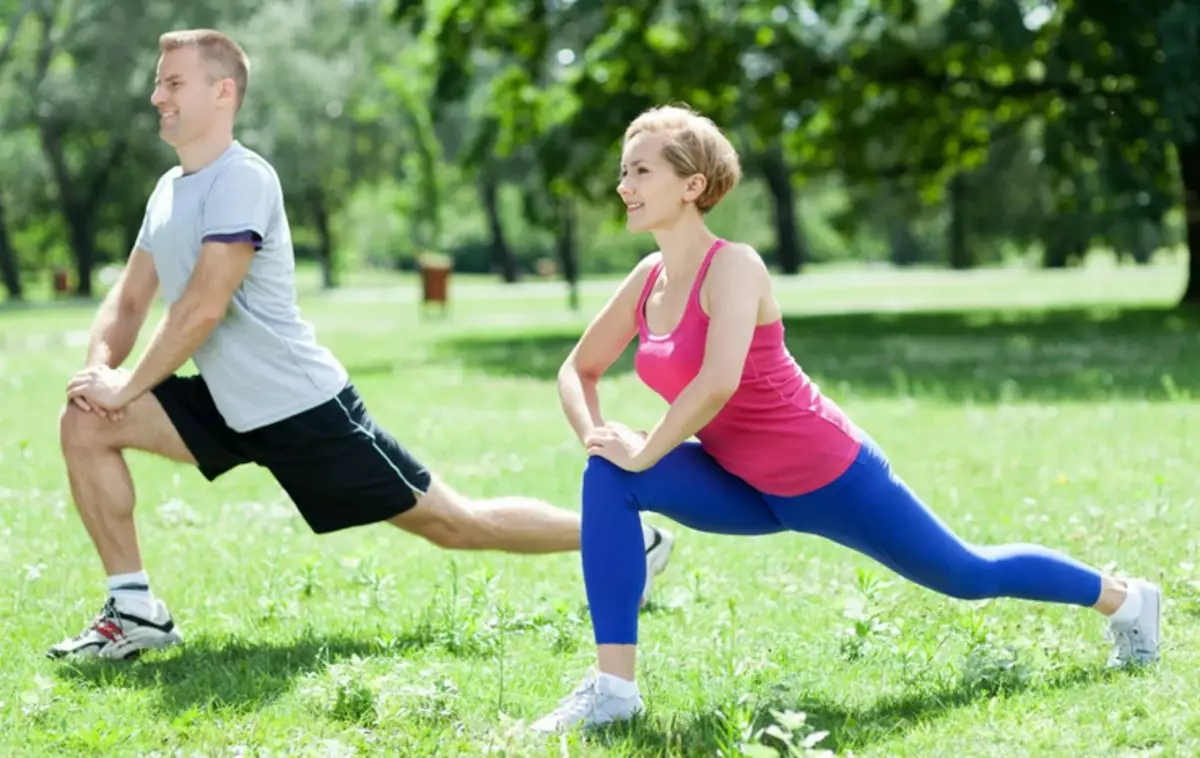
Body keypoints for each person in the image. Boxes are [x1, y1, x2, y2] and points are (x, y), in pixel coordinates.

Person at [528, 104, 1163, 733]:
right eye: (624, 172)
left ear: (693, 185)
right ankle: (615, 692)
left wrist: (647, 449)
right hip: (740, 483)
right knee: (607, 476)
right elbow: (576, 370)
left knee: (968, 573)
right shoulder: (648, 280)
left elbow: (717, 382)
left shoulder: (735, 265)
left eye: (639, 172)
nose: (624, 186)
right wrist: (603, 440)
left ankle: (1127, 599)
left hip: (827, 475)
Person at [50, 29, 675, 661]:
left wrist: (127, 387)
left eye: (172, 82)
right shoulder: (168, 191)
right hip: (227, 401)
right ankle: (134, 612)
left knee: (455, 524)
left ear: (222, 92)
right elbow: (130, 300)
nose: (157, 95)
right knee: (85, 423)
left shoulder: (243, 180)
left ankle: (630, 539)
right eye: (159, 82)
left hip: (300, 407)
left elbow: (202, 308)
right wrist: (97, 376)